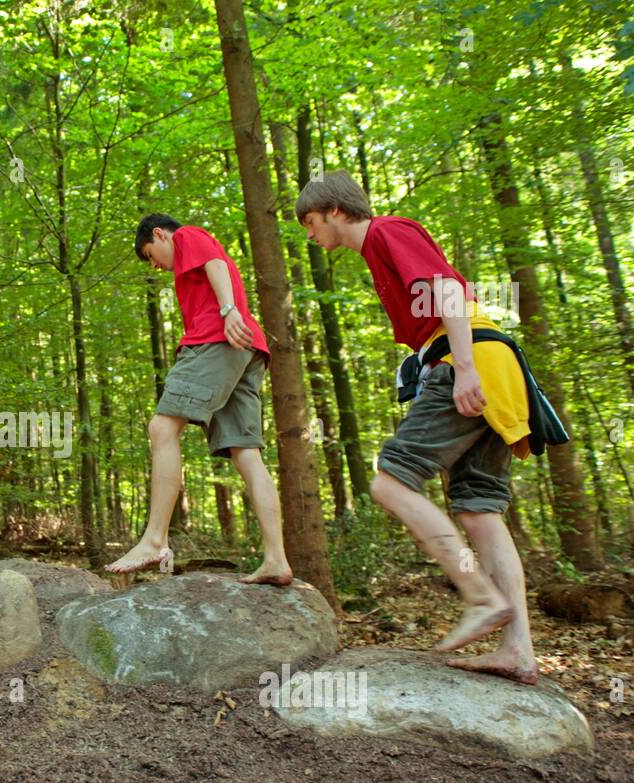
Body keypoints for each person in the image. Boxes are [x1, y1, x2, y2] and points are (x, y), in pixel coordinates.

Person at [296, 171, 539, 683]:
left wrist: (464, 370)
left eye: (312, 222)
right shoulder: (376, 250)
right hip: (494, 368)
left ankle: (478, 595)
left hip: (471, 363)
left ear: (336, 211)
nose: (310, 234)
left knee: (388, 481)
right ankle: (518, 649)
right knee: (479, 512)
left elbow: (447, 289)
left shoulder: (386, 230)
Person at [105, 214, 292, 586]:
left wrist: (227, 311)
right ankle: (276, 560)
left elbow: (215, 263)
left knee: (161, 427)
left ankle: (155, 540)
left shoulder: (188, 235)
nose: (155, 264)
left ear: (159, 234)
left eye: (150, 253)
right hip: (247, 349)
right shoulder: (184, 265)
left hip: (217, 341)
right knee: (246, 453)